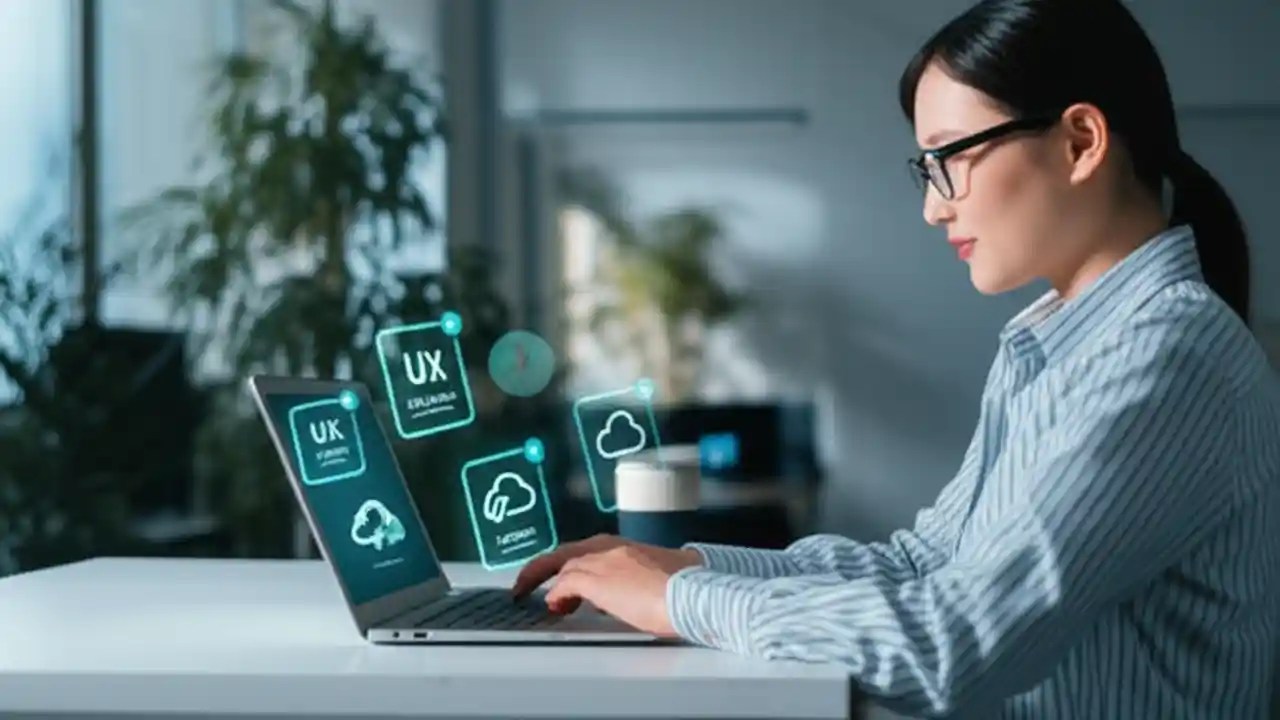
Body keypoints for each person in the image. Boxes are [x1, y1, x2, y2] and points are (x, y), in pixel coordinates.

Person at [512, 0, 1280, 716]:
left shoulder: (1168, 357)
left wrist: (680, 602)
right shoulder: (1057, 345)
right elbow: (922, 566)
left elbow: (956, 644)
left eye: (950, 156)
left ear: (1081, 142)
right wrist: (678, 567)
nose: (934, 205)